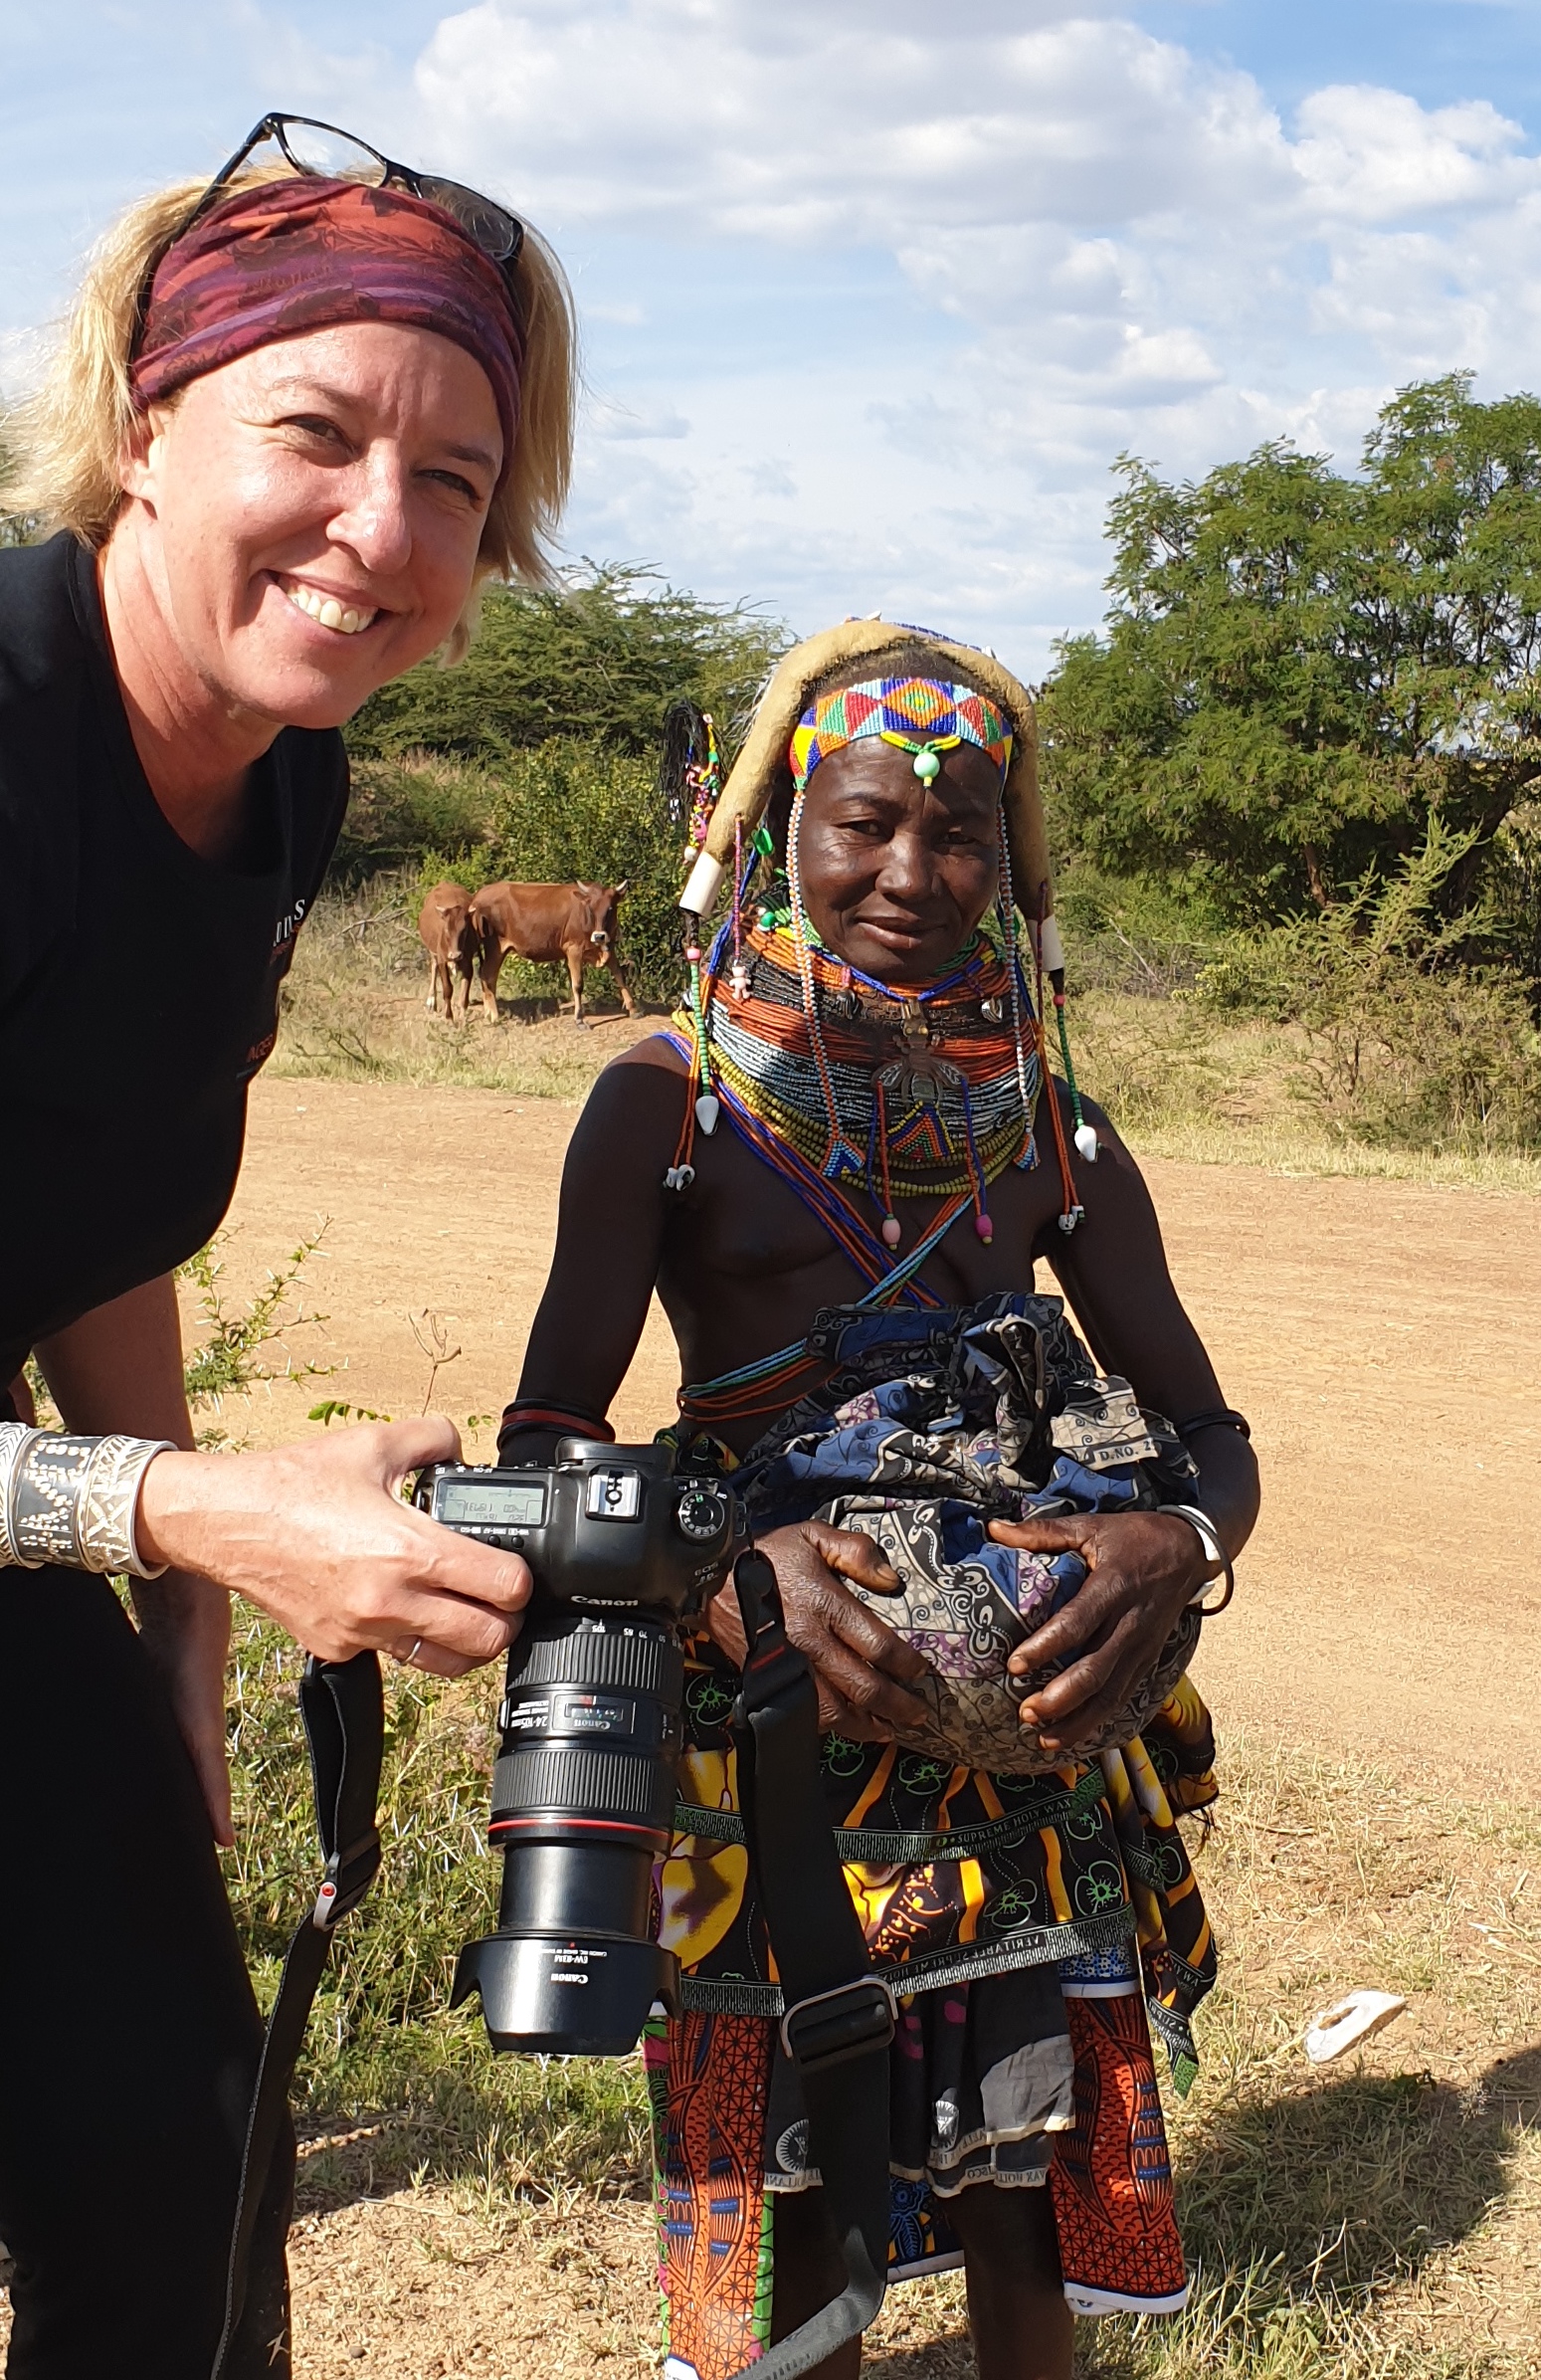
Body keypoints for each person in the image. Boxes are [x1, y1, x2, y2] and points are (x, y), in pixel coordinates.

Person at [505, 623, 1260, 2380]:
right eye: (863, 825)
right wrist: (711, 1565)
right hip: (771, 1716)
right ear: (779, 825)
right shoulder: (665, 1102)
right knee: (793, 2179)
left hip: (1030, 1733)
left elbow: (1209, 1428)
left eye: (961, 836)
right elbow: (544, 1440)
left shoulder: (1050, 1136)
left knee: (1022, 2173)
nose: (912, 874)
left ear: (1010, 862)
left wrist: (1171, 1540)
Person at [0, 115, 576, 2378]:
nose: (383, 531)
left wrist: (179, 1631)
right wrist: (197, 1514)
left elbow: (84, 1192)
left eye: (453, 479)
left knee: (182, 2172)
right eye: (318, 432)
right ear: (150, 427)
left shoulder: (278, 779)